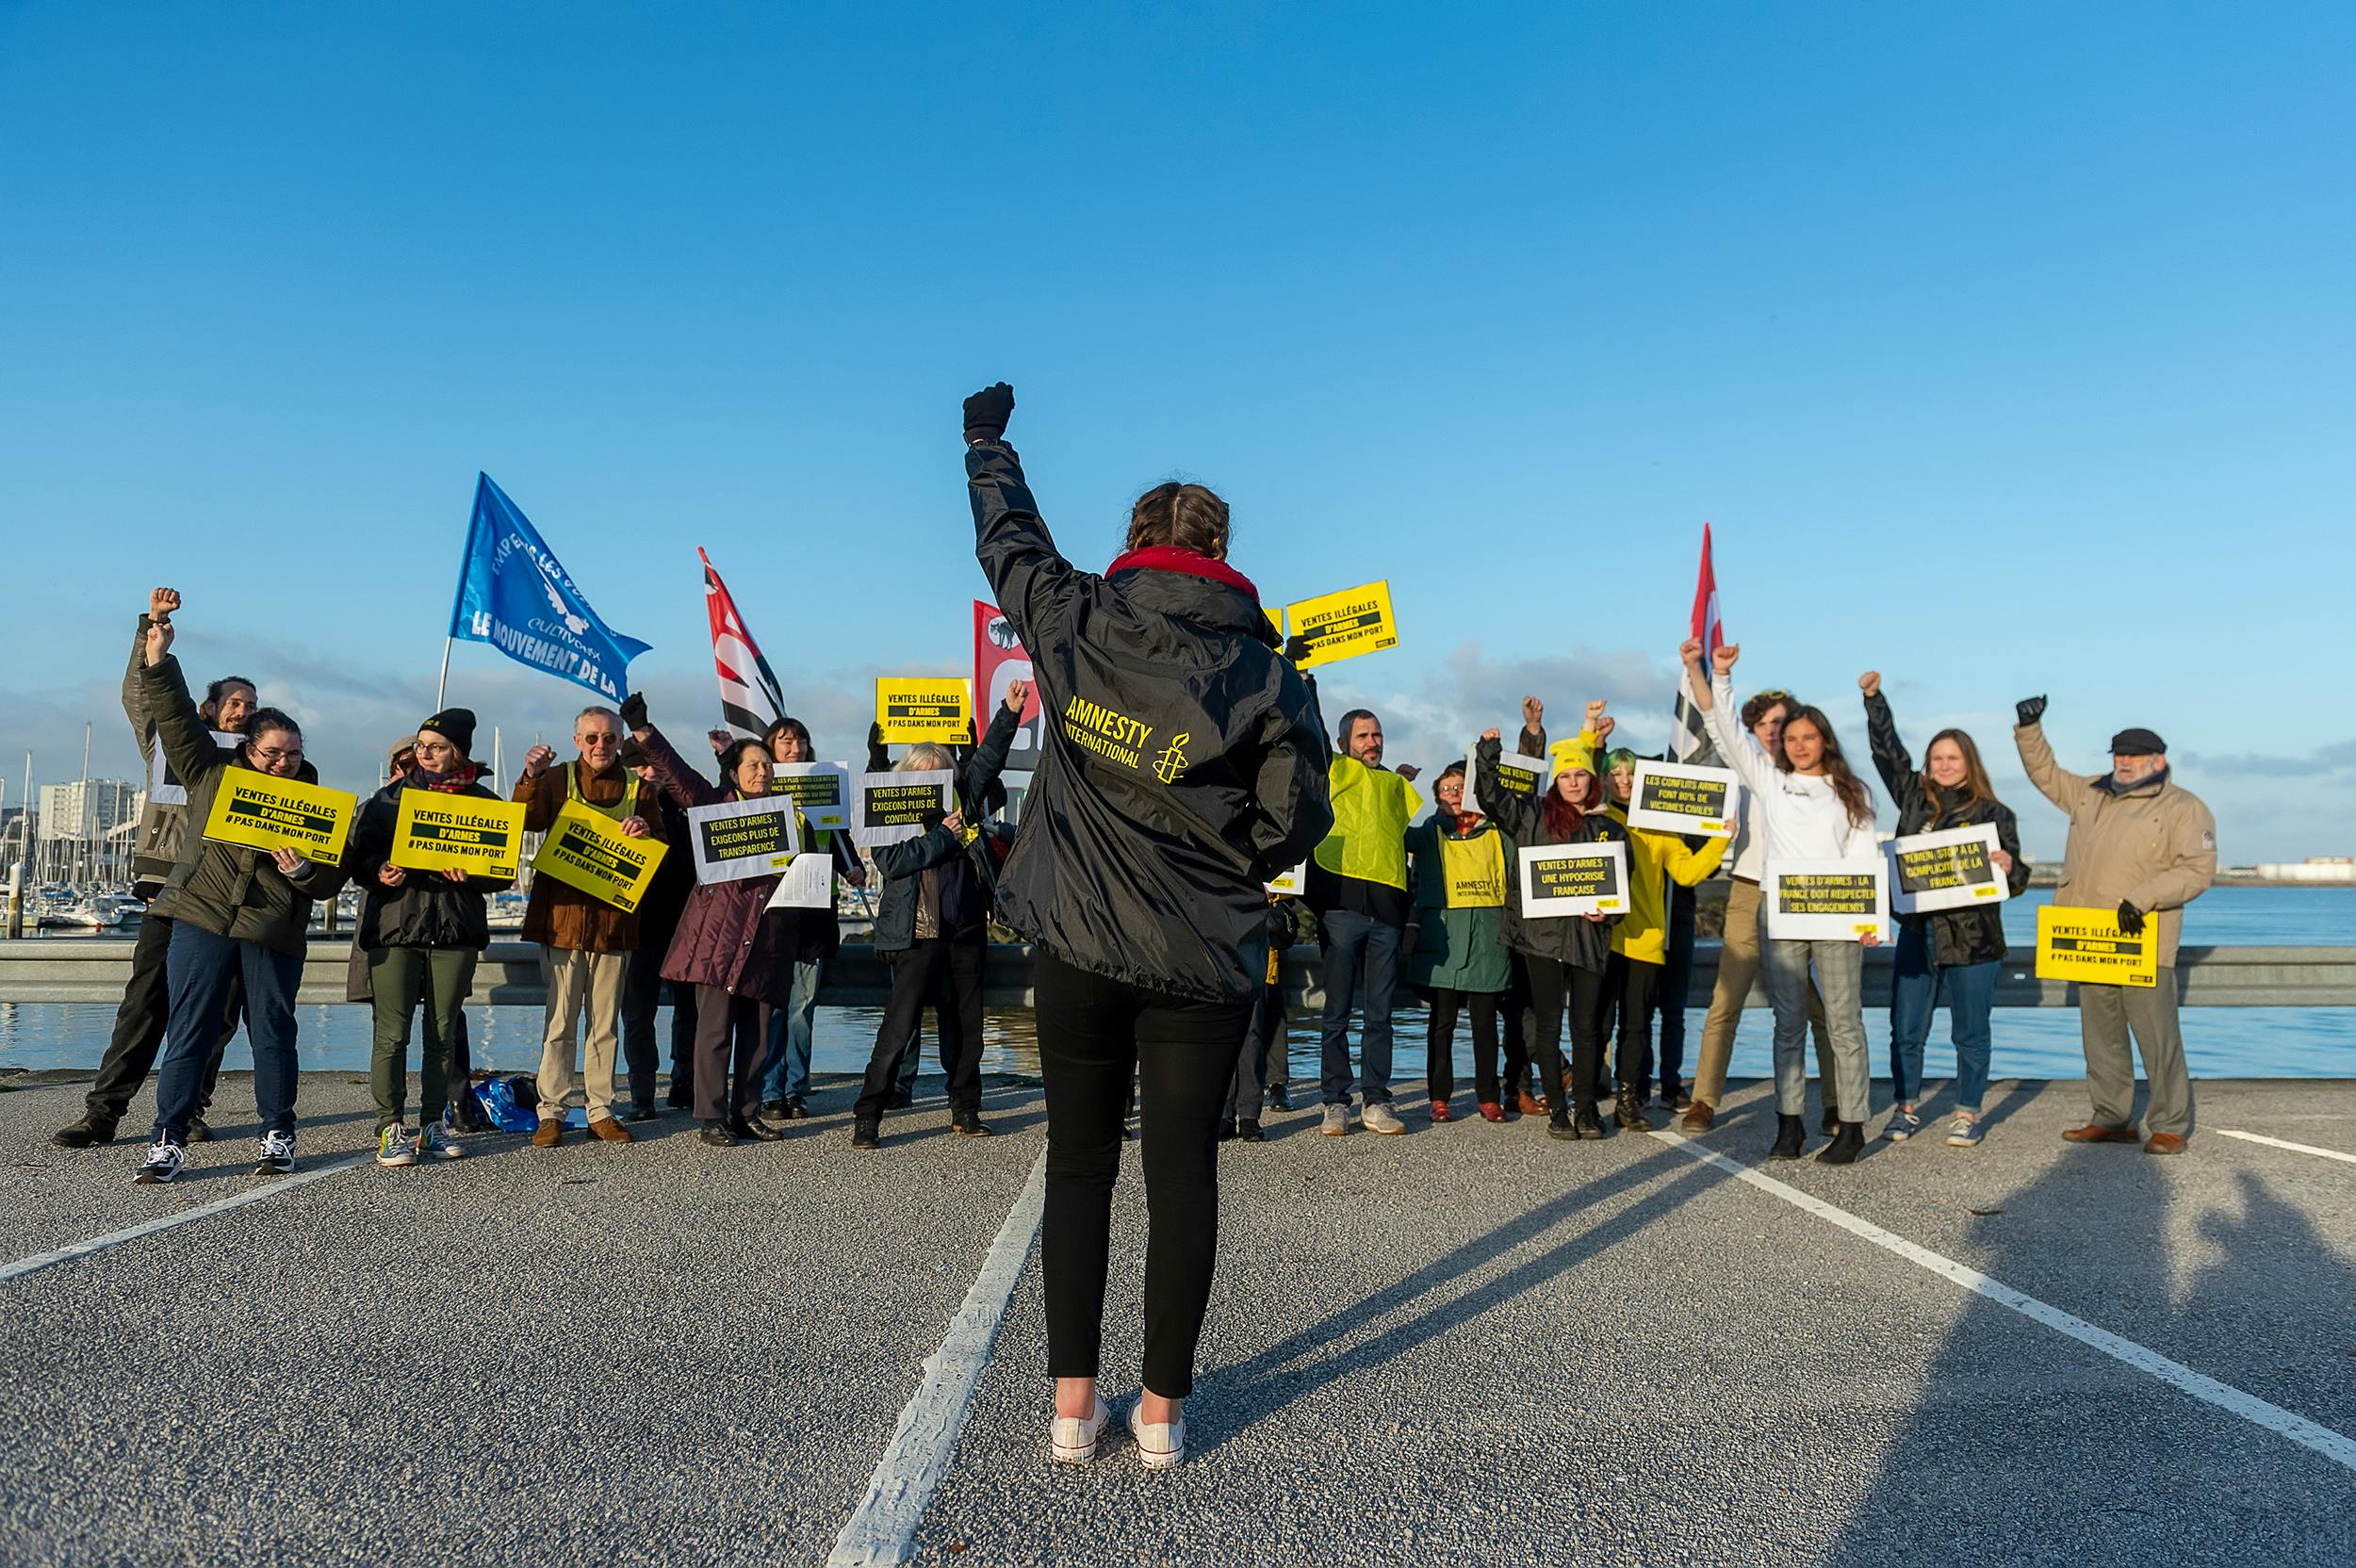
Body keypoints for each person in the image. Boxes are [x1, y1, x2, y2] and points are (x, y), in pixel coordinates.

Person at [964, 382, 1330, 1469]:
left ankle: (1071, 1407)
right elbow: (1295, 814)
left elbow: (1008, 539)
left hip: (1075, 936)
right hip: (1202, 953)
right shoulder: (1268, 670)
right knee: (1184, 1179)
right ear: (1223, 550)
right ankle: (1164, 1410)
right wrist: (1225, 859)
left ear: (1135, 544)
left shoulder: (1076, 616)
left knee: (1077, 1167)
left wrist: (987, 441)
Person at [130, 595, 344, 1184]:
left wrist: (302, 870)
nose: (284, 763)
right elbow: (173, 717)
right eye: (273, 753)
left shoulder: (314, 804)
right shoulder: (210, 772)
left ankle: (278, 1133)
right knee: (188, 1031)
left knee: (273, 1033)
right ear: (249, 750)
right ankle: (167, 1139)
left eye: (294, 754)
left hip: (270, 928)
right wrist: (158, 657)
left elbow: (330, 879)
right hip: (200, 917)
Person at [55, 588, 254, 1150]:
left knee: (217, 1015)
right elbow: (143, 695)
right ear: (208, 711)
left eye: (250, 704)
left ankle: (189, 1108)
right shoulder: (171, 743)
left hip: (229, 904)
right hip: (169, 891)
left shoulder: (261, 766)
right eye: (233, 702)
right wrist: (153, 628)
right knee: (143, 1007)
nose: (242, 710)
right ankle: (104, 1112)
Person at [1689, 640, 1880, 1164]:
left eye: (1807, 736)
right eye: (1790, 738)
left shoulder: (1853, 793)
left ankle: (1851, 1126)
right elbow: (1724, 730)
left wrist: (1871, 920)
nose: (1798, 745)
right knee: (1788, 1022)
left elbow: (1865, 859)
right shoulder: (1770, 781)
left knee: (1844, 1023)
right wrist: (1721, 676)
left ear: (1825, 740)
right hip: (1782, 911)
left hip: (1839, 917)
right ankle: (1789, 1123)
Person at [2014, 696, 2215, 1155]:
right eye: (2119, 754)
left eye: (2133, 755)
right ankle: (2112, 1116)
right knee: (2100, 1036)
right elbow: (2045, 773)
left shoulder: (2184, 807)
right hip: (2086, 937)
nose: (2124, 762)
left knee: (2157, 1036)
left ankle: (2170, 1123)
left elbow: (2197, 870)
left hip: (2141, 939)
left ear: (2157, 760)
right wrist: (2029, 729)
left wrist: (2144, 898)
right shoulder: (2089, 792)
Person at [848, 685, 1024, 1147]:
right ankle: (868, 1115)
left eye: (940, 771)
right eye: (922, 773)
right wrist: (943, 839)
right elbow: (891, 861)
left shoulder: (963, 804)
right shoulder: (894, 812)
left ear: (951, 776)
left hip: (965, 933)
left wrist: (1007, 713)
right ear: (905, 777)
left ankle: (965, 1108)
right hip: (916, 937)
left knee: (967, 1031)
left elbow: (988, 763)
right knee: (897, 1029)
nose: (931, 779)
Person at [1860, 672, 2030, 1147]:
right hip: (1918, 933)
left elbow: (2016, 882)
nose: (1945, 764)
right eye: (1937, 757)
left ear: (1968, 763)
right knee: (1905, 1031)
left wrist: (2009, 865)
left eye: (1953, 758)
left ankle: (1967, 1111)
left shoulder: (1996, 814)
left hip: (1975, 940)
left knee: (1970, 1033)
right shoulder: (1914, 797)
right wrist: (1874, 701)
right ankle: (1906, 1107)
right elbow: (1887, 754)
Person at [627, 703, 802, 1148]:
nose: (761, 772)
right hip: (719, 936)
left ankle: (747, 1111)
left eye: (766, 765)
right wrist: (646, 732)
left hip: (767, 938)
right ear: (735, 773)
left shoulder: (788, 813)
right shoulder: (714, 805)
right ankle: (710, 1116)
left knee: (759, 1036)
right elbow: (678, 777)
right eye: (752, 765)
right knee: (714, 1031)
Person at [347, 709, 514, 1166]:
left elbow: (502, 874)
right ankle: (389, 1127)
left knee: (442, 1033)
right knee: (392, 1032)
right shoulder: (388, 799)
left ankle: (432, 1125)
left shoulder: (485, 802)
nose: (425, 753)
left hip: (456, 929)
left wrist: (471, 875)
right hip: (397, 927)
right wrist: (380, 870)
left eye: (436, 746)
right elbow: (357, 859)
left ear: (458, 751)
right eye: (421, 746)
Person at [1677, 683, 1841, 1135]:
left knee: (1817, 1007)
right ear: (1752, 729)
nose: (1774, 731)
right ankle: (1704, 1100)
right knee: (1726, 998)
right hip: (1750, 889)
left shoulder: (1814, 778)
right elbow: (1713, 733)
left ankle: (1834, 1102)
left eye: (1781, 723)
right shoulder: (1738, 767)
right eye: (1765, 724)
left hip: (1802, 894)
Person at [514, 706, 663, 1149]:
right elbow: (525, 821)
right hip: (560, 920)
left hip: (615, 922)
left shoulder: (640, 786)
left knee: (605, 1024)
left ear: (621, 742)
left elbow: (660, 844)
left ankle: (600, 1108)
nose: (601, 746)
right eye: (592, 738)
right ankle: (552, 1110)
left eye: (610, 739)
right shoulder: (556, 778)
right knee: (559, 1021)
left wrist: (646, 831)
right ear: (577, 740)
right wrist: (530, 776)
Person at [1473, 724, 1625, 1139]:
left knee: (1587, 1028)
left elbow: (1620, 892)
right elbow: (1490, 797)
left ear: (1591, 780)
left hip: (1589, 940)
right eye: (1565, 775)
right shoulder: (1532, 815)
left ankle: (1588, 1108)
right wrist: (1489, 751)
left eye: (1580, 774)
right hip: (1541, 939)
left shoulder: (1609, 828)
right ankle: (1558, 1109)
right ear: (1555, 781)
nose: (1573, 782)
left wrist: (1607, 915)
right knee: (1547, 1026)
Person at [1599, 734, 1730, 1116]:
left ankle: (1637, 1097)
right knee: (1600, 1023)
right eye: (1616, 773)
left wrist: (1722, 837)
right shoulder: (1595, 818)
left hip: (1652, 937)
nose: (1624, 779)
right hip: (1603, 939)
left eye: (1631, 773)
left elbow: (1688, 873)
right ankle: (1590, 1097)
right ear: (1604, 778)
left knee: (1642, 1023)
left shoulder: (1661, 826)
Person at [1308, 706, 1422, 1135]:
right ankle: (1334, 1102)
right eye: (1362, 736)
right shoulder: (1333, 769)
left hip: (1387, 911)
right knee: (1336, 1011)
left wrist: (1398, 774)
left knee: (1380, 1015)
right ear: (1343, 744)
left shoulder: (1394, 783)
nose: (1372, 742)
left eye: (1377, 735)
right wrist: (1306, 677)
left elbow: (1385, 814)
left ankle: (1377, 1100)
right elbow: (1311, 730)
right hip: (1340, 907)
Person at [755, 716, 869, 1119]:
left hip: (816, 915)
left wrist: (854, 867)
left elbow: (839, 841)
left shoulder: (825, 792)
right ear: (770, 748)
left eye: (800, 740)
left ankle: (795, 1089)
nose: (794, 747)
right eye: (785, 741)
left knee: (802, 1009)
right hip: (775, 917)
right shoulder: (760, 794)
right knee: (776, 1009)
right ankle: (770, 1090)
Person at [1404, 761, 1516, 1122]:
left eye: (1460, 788)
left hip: (1488, 941)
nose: (1454, 794)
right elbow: (1392, 832)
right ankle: (1439, 1097)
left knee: (1485, 1024)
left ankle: (1488, 1096)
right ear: (1437, 796)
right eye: (1447, 789)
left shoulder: (1499, 832)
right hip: (1445, 942)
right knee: (1442, 1024)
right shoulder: (1429, 832)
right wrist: (1401, 788)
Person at [617, 736, 697, 1118]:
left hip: (686, 923)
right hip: (638, 926)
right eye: (640, 767)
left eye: (654, 766)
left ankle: (684, 1082)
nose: (650, 773)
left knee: (690, 1010)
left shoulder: (685, 806)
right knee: (637, 1013)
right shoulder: (618, 807)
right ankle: (642, 1093)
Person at [1219, 894, 1295, 1141]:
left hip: (1257, 943)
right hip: (1223, 936)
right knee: (1225, 1032)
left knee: (1251, 1034)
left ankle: (1249, 1115)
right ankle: (1226, 1113)